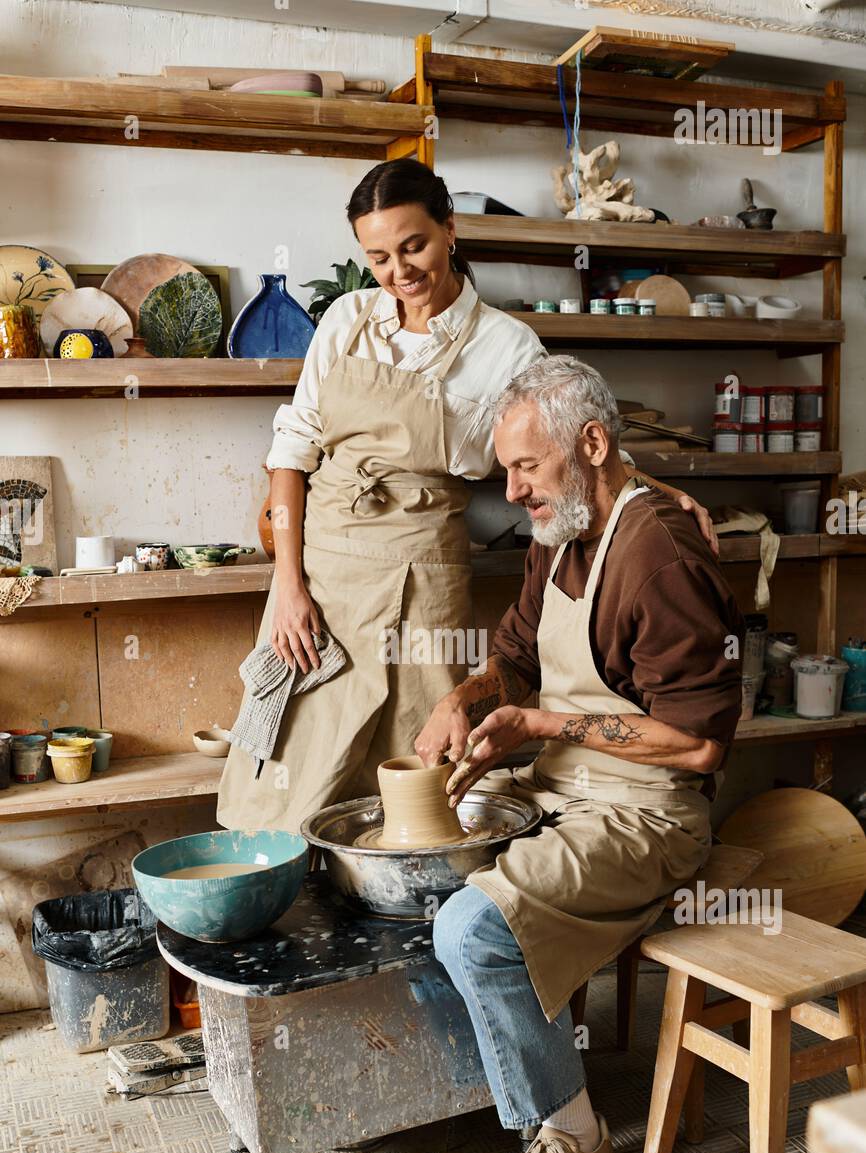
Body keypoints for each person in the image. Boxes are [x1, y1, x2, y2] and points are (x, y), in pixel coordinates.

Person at [217, 158, 715, 834]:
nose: (399, 271)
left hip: (426, 567)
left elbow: (573, 433)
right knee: (294, 760)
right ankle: (277, 889)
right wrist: (287, 587)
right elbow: (291, 453)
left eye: (414, 245)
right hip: (324, 569)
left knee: (417, 757)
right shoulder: (345, 320)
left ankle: (400, 902)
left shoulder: (506, 345)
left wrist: (658, 491)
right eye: (378, 257)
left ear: (450, 229)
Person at [416, 356, 744, 1153]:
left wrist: (541, 723)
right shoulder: (561, 532)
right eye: (508, 469)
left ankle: (573, 1137)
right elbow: (516, 660)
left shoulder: (661, 556)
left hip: (649, 813)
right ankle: (487, 1082)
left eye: (526, 467)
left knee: (470, 929)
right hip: (563, 784)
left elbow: (701, 744)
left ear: (591, 444)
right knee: (418, 861)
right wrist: (468, 699)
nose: (512, 488)